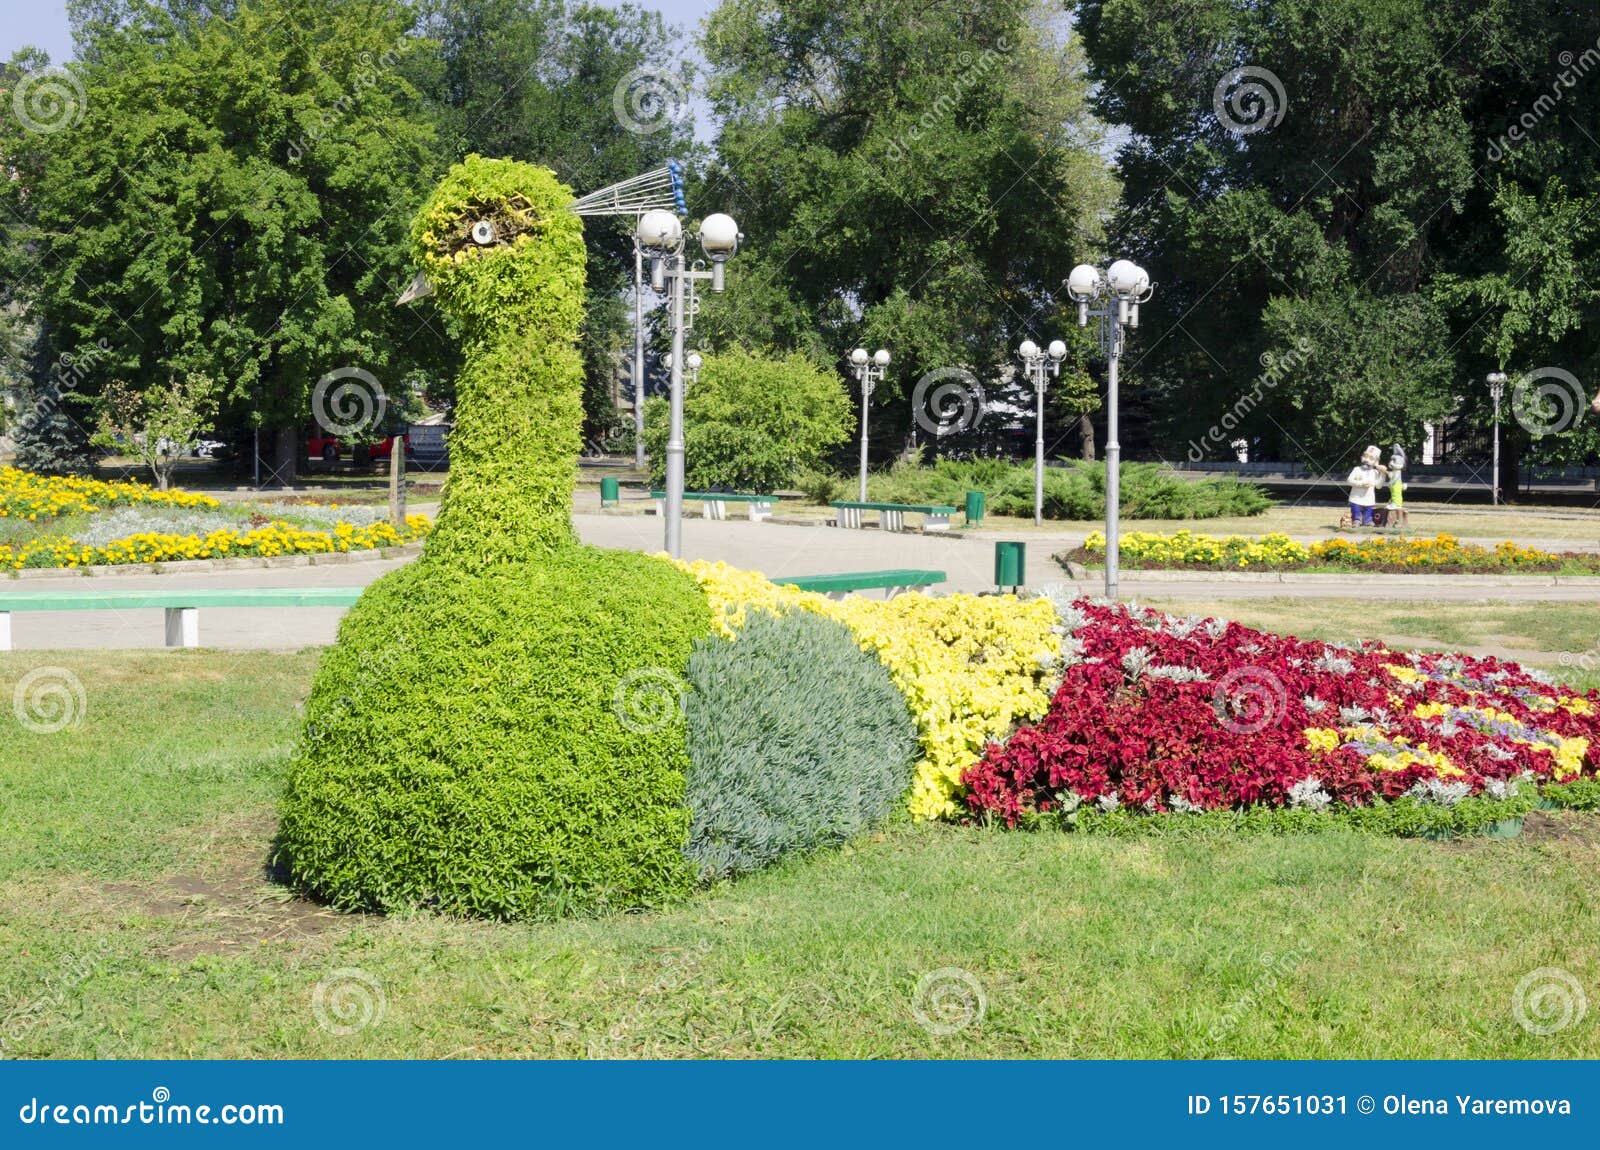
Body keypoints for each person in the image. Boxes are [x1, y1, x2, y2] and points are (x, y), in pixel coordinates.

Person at [1345, 445, 1382, 527]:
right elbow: (1349, 481)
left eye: (1371, 459)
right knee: (1356, 509)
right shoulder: (1357, 469)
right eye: (1365, 457)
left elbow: (1379, 486)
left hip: (1369, 498)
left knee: (1368, 511)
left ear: (1376, 462)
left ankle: (1367, 521)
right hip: (1356, 498)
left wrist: (1382, 474)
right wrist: (1361, 483)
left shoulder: (1375, 473)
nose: (1367, 460)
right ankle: (1356, 520)